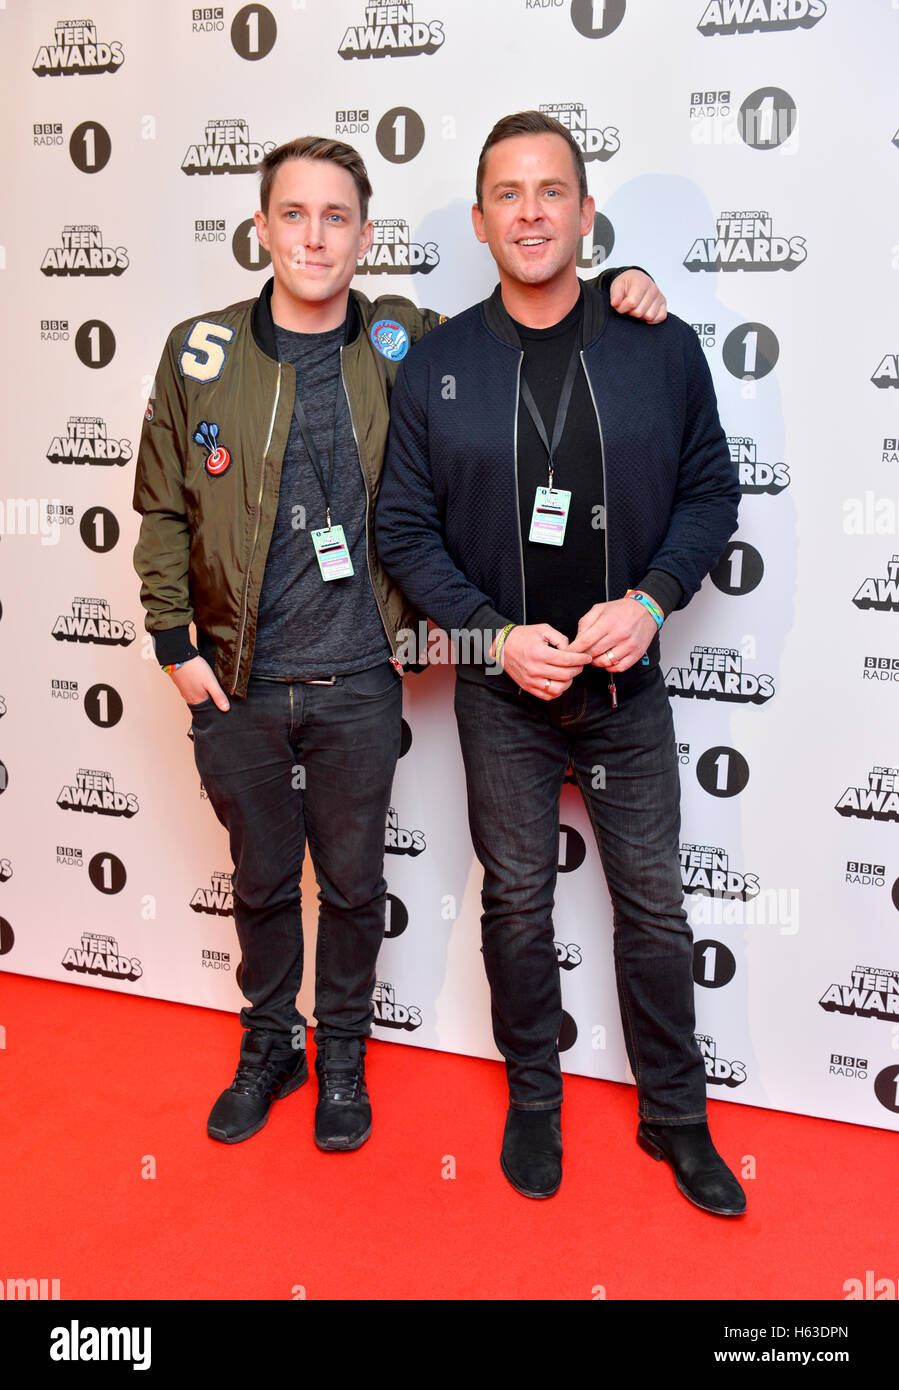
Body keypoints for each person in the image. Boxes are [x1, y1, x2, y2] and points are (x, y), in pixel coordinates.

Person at [132, 133, 667, 1156]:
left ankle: (340, 1059)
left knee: (351, 886)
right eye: (293, 214)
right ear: (261, 229)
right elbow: (160, 503)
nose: (314, 236)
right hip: (236, 680)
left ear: (364, 235)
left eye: (336, 216)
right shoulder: (199, 350)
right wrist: (172, 639)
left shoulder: (406, 339)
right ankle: (265, 1044)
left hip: (359, 679)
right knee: (254, 881)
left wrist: (622, 284)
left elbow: (530, 317)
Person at [375, 111, 745, 1214]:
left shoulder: (657, 342)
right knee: (517, 907)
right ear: (482, 219)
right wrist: (489, 636)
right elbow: (402, 527)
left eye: (551, 192)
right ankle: (533, 1098)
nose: (529, 212)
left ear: (585, 214)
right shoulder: (436, 364)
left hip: (624, 685)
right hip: (503, 693)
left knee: (654, 910)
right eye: (506, 194)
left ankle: (675, 1115)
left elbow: (708, 493)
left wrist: (651, 599)